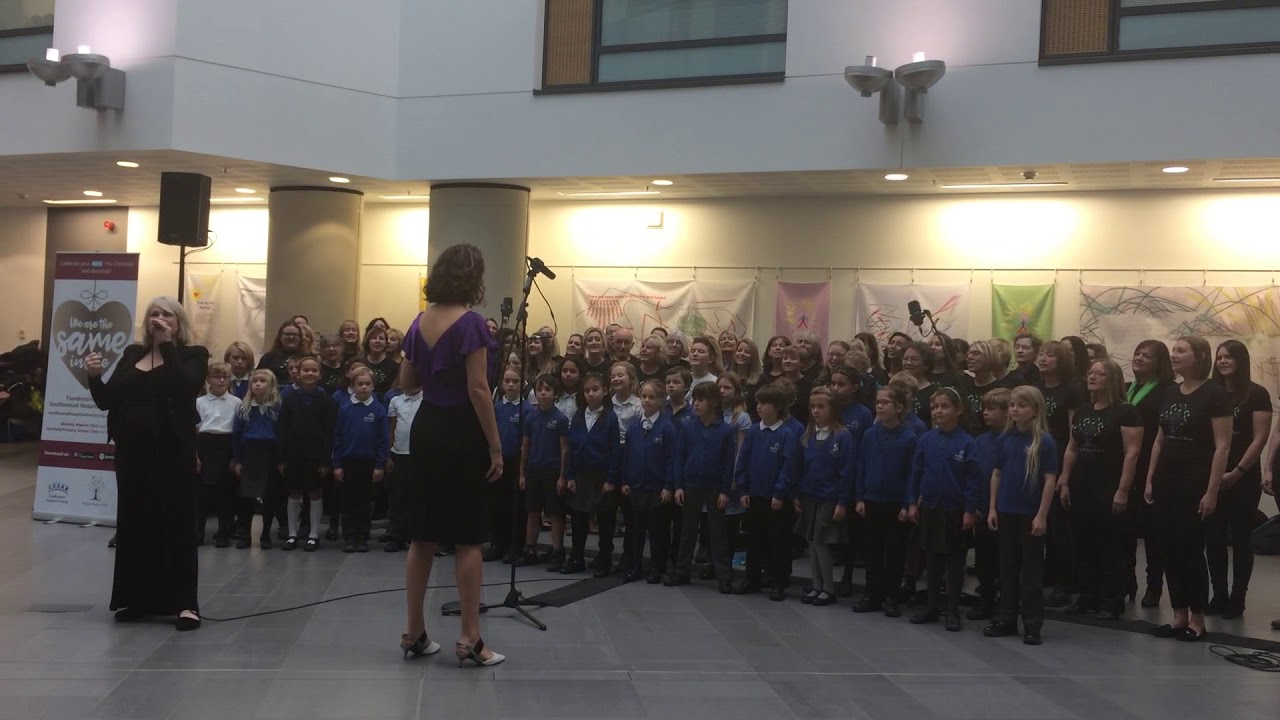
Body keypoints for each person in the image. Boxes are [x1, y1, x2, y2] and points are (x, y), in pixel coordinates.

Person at [398, 244, 504, 667]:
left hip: (427, 428)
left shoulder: (419, 320)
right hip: (462, 431)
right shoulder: (472, 324)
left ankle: (413, 632)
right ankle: (470, 639)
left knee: (421, 534)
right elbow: (479, 389)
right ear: (473, 279)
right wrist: (495, 445)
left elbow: (407, 382)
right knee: (468, 536)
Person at [1145, 336, 1231, 643]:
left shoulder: (1214, 394)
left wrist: (1212, 490)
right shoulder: (1169, 392)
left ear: (1199, 357)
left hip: (1194, 482)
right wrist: (1150, 477)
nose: (1174, 355)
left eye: (1181, 350)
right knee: (1167, 547)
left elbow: (1222, 447)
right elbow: (1159, 438)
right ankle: (1178, 613)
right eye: (1174, 350)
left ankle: (1197, 617)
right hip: (1166, 479)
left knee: (1189, 548)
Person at [1057, 359, 1141, 620]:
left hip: (1109, 484)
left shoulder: (1126, 412)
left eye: (1099, 374)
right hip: (1083, 484)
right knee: (1084, 542)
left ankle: (1111, 599)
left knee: (1110, 544)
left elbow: (1132, 453)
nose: (1092, 377)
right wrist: (1065, 480)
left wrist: (1123, 490)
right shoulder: (1084, 410)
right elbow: (1072, 448)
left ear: (1112, 379)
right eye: (1090, 372)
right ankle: (1087, 595)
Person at [985, 385, 1059, 646]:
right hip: (1006, 511)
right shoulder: (1004, 439)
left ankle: (1032, 623)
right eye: (1012, 405)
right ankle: (1006, 617)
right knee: (1006, 568)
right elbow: (997, 473)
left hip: (1029, 515)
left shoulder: (1045, 442)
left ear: (1035, 410)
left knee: (1030, 572)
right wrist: (993, 507)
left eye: (1021, 405)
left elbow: (1050, 480)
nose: (1015, 409)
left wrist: (1041, 516)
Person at [1206, 340, 1271, 619]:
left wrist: (1238, 472)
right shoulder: (1210, 393)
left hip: (1243, 475)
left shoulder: (1256, 394)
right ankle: (1218, 594)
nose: (1222, 361)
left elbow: (1259, 439)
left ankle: (1237, 597)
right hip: (1212, 474)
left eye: (1228, 357)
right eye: (1219, 357)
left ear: (1240, 361)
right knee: (1213, 537)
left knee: (1241, 537)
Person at [907, 387, 980, 630]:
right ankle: (931, 607)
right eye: (935, 406)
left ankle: (952, 610)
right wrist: (911, 503)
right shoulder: (926, 439)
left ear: (958, 410)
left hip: (955, 510)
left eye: (944, 406)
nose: (938, 411)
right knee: (931, 559)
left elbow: (972, 480)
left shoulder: (968, 443)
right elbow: (916, 473)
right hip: (930, 506)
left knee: (955, 562)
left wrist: (970, 510)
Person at [853, 385, 917, 618]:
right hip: (871, 499)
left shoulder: (909, 437)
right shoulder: (870, 435)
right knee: (872, 549)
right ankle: (872, 593)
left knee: (894, 551)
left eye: (885, 402)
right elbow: (862, 466)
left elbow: (912, 473)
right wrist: (859, 497)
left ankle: (891, 595)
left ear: (899, 407)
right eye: (877, 402)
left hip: (895, 502)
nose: (879, 406)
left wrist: (906, 503)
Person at [666, 382, 736, 592]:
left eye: (701, 400)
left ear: (713, 402)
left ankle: (724, 575)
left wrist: (725, 490)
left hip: (714, 486)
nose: (695, 404)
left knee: (717, 532)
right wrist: (678, 486)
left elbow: (728, 462)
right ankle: (682, 571)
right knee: (687, 531)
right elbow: (680, 457)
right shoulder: (688, 426)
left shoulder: (724, 430)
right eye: (694, 399)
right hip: (691, 484)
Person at [735, 383, 799, 601]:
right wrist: (743, 489)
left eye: (764, 403)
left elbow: (788, 467)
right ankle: (751, 579)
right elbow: (743, 460)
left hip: (775, 499)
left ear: (777, 406)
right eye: (758, 403)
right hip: (754, 495)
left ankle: (777, 583)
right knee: (754, 541)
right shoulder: (754, 431)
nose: (759, 407)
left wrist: (780, 493)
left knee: (778, 543)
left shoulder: (786, 434)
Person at [1035, 339, 1085, 607]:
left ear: (1062, 361)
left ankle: (1065, 582)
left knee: (1059, 526)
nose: (1043, 359)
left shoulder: (1072, 390)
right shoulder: (1037, 389)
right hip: (1038, 458)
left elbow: (1073, 432)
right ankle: (1046, 574)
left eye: (1050, 356)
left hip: (1060, 458)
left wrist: (1066, 472)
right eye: (1041, 354)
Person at [793, 386, 854, 607]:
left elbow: (846, 472)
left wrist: (841, 502)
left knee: (821, 542)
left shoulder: (842, 436)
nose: (816, 411)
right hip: (810, 495)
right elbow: (803, 467)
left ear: (833, 409)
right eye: (813, 407)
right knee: (811, 542)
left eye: (821, 406)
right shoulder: (808, 435)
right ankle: (816, 585)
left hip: (829, 497)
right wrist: (798, 494)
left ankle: (828, 588)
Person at [1128, 339, 1176, 608]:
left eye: (1147, 356)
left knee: (1154, 532)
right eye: (1137, 353)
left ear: (1160, 362)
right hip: (1125, 466)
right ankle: (1126, 580)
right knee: (1125, 530)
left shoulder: (1167, 391)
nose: (1139, 358)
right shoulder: (1126, 389)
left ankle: (1154, 586)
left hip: (1152, 466)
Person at [278, 356, 338, 552]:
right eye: (306, 370)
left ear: (320, 374)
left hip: (315, 455)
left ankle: (313, 534)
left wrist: (325, 460)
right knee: (294, 492)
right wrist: (281, 457)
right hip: (293, 454)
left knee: (314, 492)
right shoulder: (288, 399)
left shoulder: (326, 400)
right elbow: (282, 430)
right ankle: (293, 534)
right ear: (298, 373)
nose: (310, 373)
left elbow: (330, 431)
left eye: (314, 370)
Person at [621, 380, 677, 584]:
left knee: (657, 531)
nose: (646, 400)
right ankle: (635, 566)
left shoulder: (666, 428)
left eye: (652, 397)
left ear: (661, 400)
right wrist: (625, 480)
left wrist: (668, 486)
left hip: (657, 488)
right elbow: (627, 456)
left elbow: (672, 459)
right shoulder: (634, 427)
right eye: (644, 396)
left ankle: (656, 567)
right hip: (637, 486)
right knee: (636, 529)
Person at [565, 372, 621, 576]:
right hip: (581, 474)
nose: (591, 394)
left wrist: (611, 479)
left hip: (602, 475)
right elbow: (571, 447)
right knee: (579, 519)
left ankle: (605, 560)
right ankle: (576, 558)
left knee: (605, 520)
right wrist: (570, 475)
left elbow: (615, 449)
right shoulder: (579, 415)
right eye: (587, 390)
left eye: (595, 389)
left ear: (605, 391)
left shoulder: (610, 417)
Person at [516, 374, 571, 570]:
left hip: (553, 471)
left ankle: (557, 551)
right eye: (540, 389)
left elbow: (564, 448)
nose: (543, 393)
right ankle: (529, 548)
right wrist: (522, 474)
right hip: (533, 470)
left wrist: (563, 476)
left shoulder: (560, 419)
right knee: (532, 511)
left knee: (555, 513)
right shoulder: (530, 417)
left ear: (555, 394)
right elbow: (525, 446)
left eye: (548, 389)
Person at [332, 367, 388, 553]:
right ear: (353, 386)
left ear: (373, 386)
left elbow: (383, 439)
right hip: (348, 461)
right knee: (348, 501)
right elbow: (338, 437)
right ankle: (349, 536)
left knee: (365, 502)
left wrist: (380, 465)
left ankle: (363, 536)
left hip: (369, 463)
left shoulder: (378, 410)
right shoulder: (345, 408)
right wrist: (337, 464)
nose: (364, 387)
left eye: (367, 384)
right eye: (360, 384)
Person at [969, 387, 1010, 622]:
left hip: (1007, 509)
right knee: (984, 558)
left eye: (991, 409)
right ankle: (985, 599)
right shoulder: (981, 441)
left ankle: (1006, 602)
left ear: (1007, 413)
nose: (985, 413)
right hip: (983, 507)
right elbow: (973, 474)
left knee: (1005, 559)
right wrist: (973, 504)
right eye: (984, 408)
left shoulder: (1013, 440)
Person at [232, 370, 282, 550]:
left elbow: (282, 434)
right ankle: (245, 535)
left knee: (269, 496)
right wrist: (237, 460)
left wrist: (280, 460)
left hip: (270, 454)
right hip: (249, 454)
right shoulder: (244, 408)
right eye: (255, 381)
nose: (258, 384)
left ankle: (266, 534)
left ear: (271, 385)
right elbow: (236, 435)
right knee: (246, 497)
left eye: (262, 381)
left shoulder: (276, 407)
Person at [195, 362, 238, 548]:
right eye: (216, 377)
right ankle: (197, 532)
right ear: (207, 380)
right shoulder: (199, 402)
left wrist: (235, 457)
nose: (221, 380)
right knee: (200, 494)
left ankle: (223, 532)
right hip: (205, 445)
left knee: (225, 492)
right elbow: (193, 431)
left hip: (227, 444)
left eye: (225, 377)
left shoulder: (237, 402)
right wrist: (195, 455)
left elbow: (238, 431)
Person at [488, 369, 528, 563]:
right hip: (498, 460)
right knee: (497, 504)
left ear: (523, 383)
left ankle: (515, 545)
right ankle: (497, 543)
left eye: (515, 381)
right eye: (507, 381)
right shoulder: (496, 408)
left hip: (516, 461)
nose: (511, 385)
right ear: (502, 384)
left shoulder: (526, 409)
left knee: (516, 506)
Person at [385, 376, 422, 553]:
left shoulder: (426, 400)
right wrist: (388, 454)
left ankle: (413, 535)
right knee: (398, 496)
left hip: (419, 455)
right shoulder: (395, 401)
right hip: (399, 453)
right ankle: (397, 535)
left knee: (416, 497)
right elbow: (391, 428)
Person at [901, 342, 936, 427]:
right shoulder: (895, 388)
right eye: (905, 358)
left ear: (926, 365)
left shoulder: (934, 392)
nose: (908, 363)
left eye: (914, 359)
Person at [360, 326, 399, 399]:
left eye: (381, 338)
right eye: (374, 338)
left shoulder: (394, 366)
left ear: (386, 343)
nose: (377, 341)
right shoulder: (359, 362)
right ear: (368, 341)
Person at [259, 321, 303, 385]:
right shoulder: (268, 358)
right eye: (287, 334)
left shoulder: (309, 358)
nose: (291, 337)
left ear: (300, 338)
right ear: (280, 337)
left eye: (294, 334)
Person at [731, 339, 764, 420]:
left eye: (747, 352)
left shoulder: (761, 380)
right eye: (739, 350)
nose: (742, 354)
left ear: (753, 356)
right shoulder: (728, 377)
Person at [780, 345, 812, 424]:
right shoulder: (776, 384)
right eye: (785, 358)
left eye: (793, 358)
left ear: (802, 363)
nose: (788, 361)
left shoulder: (809, 386)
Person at [556, 356, 584, 422]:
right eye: (565, 371)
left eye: (573, 371)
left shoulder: (585, 397)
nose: (568, 374)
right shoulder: (555, 395)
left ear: (580, 375)